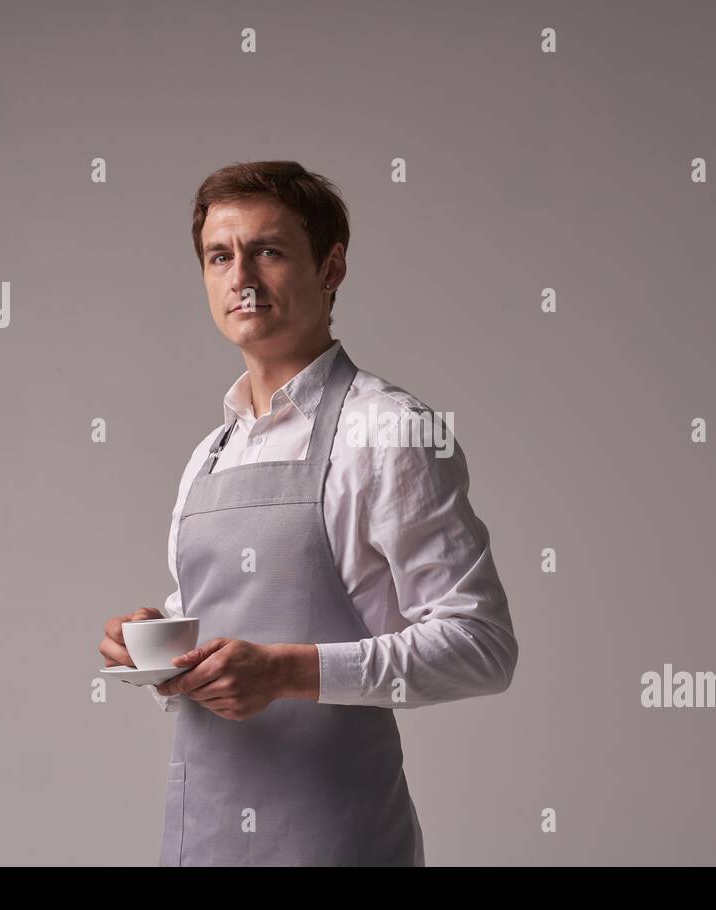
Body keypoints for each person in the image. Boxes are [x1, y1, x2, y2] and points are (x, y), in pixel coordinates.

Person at [98, 160, 517, 866]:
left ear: (331, 268)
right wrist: (156, 649)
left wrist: (288, 672)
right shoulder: (210, 453)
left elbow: (482, 647)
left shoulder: (390, 431)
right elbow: (222, 630)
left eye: (269, 250)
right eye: (220, 257)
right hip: (199, 839)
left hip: (335, 841)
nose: (242, 279)